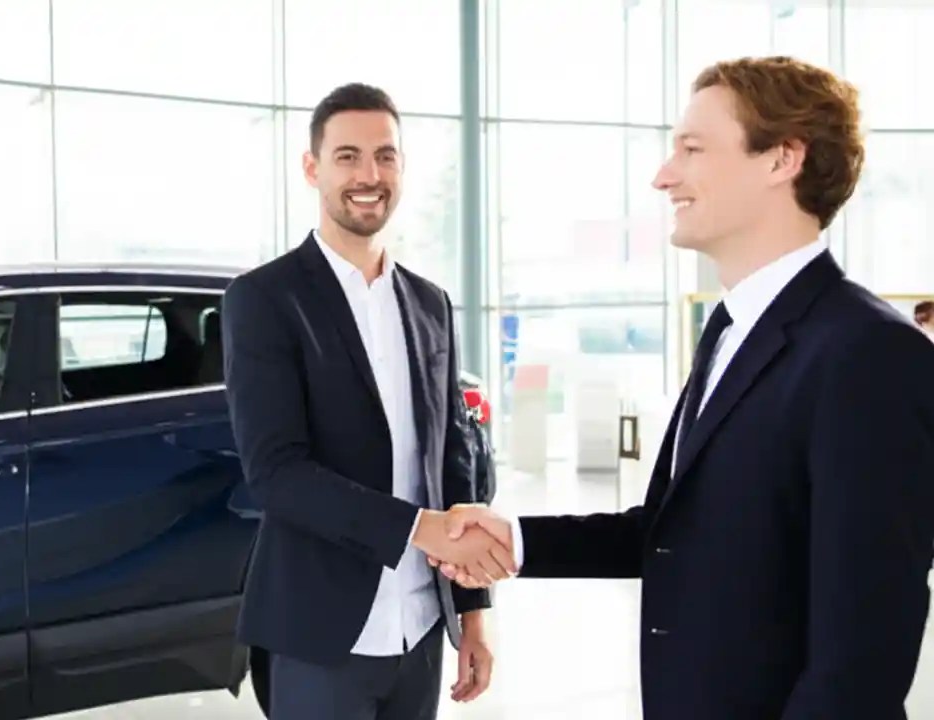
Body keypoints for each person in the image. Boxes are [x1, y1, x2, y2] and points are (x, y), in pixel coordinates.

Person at [438, 56, 934, 719]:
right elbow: (678, 532)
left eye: (693, 149)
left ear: (782, 159)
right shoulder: (730, 332)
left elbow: (864, 650)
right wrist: (514, 539)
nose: (663, 175)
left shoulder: (869, 354)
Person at [221, 83, 514, 720]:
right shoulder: (265, 299)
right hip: (322, 631)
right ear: (312, 168)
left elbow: (455, 468)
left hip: (422, 630)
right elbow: (277, 474)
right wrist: (418, 528)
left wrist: (474, 615)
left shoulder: (430, 303)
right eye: (348, 156)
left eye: (385, 156)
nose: (368, 175)